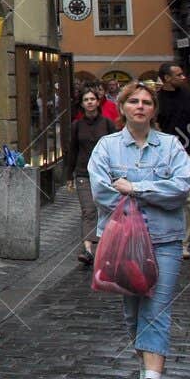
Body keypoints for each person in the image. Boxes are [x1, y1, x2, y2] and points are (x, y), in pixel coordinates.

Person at [89, 81, 190, 379]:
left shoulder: (171, 146)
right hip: (121, 242)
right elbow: (101, 191)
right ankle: (144, 367)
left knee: (156, 308)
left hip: (164, 240)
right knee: (132, 312)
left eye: (147, 102)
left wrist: (136, 189)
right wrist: (148, 195)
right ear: (122, 108)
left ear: (154, 110)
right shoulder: (106, 147)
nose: (140, 106)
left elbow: (179, 189)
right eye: (133, 101)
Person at [155, 62, 190, 260]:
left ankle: (183, 242)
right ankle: (166, 235)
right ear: (166, 78)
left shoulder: (189, 97)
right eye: (179, 74)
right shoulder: (156, 100)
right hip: (164, 154)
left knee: (189, 199)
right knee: (165, 196)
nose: (183, 77)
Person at [68, 88, 117, 267]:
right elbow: (72, 150)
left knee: (105, 210)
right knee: (88, 211)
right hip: (83, 173)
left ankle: (103, 247)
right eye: (86, 100)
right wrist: (69, 174)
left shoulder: (108, 124)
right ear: (81, 104)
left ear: (98, 102)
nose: (89, 102)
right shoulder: (76, 126)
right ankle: (88, 249)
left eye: (92, 99)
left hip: (106, 173)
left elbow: (115, 149)